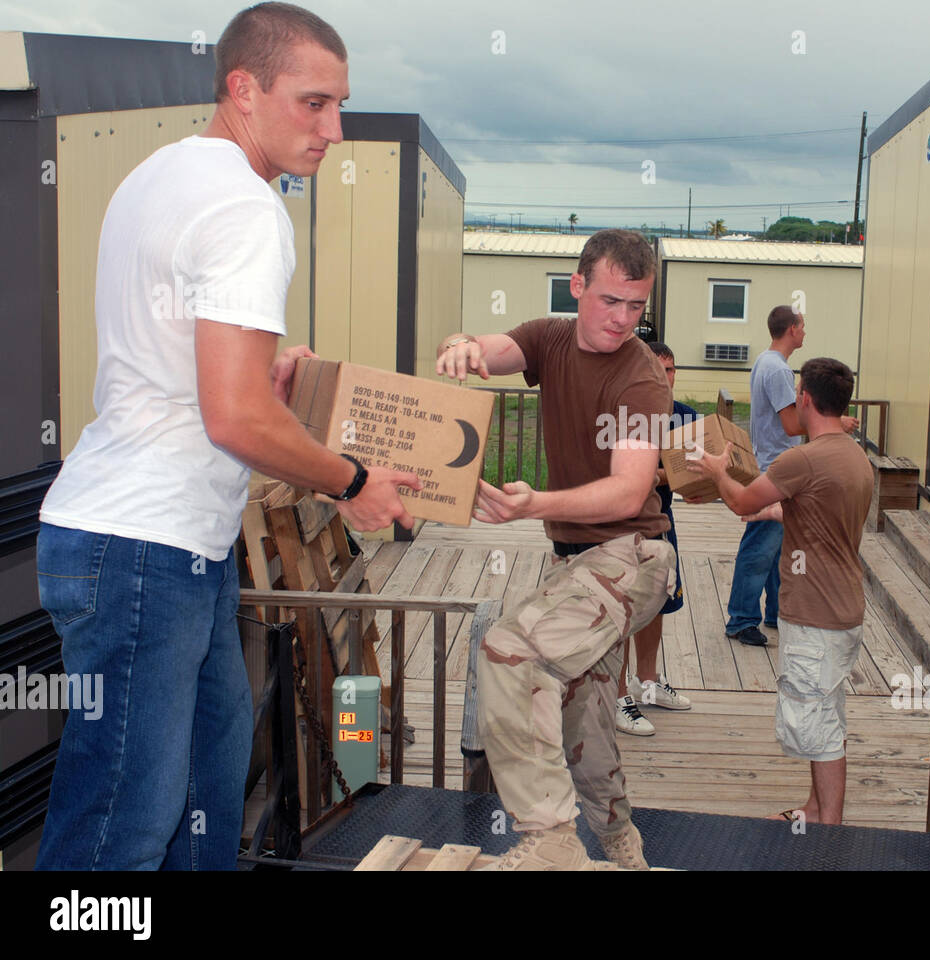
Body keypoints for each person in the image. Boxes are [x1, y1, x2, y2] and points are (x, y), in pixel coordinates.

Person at [34, 3, 419, 870]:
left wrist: (264, 369)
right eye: (313, 104)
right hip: (143, 549)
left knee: (207, 792)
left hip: (158, 546)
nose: (335, 129)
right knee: (121, 824)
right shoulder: (249, 208)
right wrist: (355, 482)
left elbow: (189, 364)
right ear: (243, 88)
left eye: (341, 105)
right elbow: (234, 418)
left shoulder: (158, 175)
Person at [435, 229, 676, 870]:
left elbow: (629, 492)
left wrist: (533, 504)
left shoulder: (643, 377)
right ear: (577, 286)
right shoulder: (550, 337)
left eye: (636, 306)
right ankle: (626, 854)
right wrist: (463, 346)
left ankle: (548, 840)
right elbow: (496, 347)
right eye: (609, 301)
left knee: (509, 652)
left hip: (633, 558)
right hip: (576, 561)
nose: (622, 320)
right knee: (583, 724)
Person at [688, 357, 872, 825]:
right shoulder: (854, 457)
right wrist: (772, 514)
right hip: (845, 609)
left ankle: (828, 824)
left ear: (806, 398)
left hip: (815, 614)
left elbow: (739, 500)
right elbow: (817, 516)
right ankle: (814, 808)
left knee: (820, 725)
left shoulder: (803, 459)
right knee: (827, 714)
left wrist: (716, 470)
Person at [724, 307, 857, 646]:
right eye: (803, 327)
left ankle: (772, 613)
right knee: (760, 546)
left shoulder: (763, 361)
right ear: (792, 330)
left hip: (770, 460)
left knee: (776, 545)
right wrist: (836, 423)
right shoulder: (780, 371)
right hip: (778, 466)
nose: (805, 333)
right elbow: (789, 423)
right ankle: (741, 619)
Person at [615, 341, 695, 737]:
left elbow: (696, 482)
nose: (666, 377)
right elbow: (636, 476)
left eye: (671, 369)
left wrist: (702, 477)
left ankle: (647, 684)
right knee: (623, 611)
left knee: (657, 603)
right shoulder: (624, 416)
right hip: (620, 525)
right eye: (657, 369)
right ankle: (617, 697)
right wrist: (673, 471)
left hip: (663, 520)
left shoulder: (685, 418)